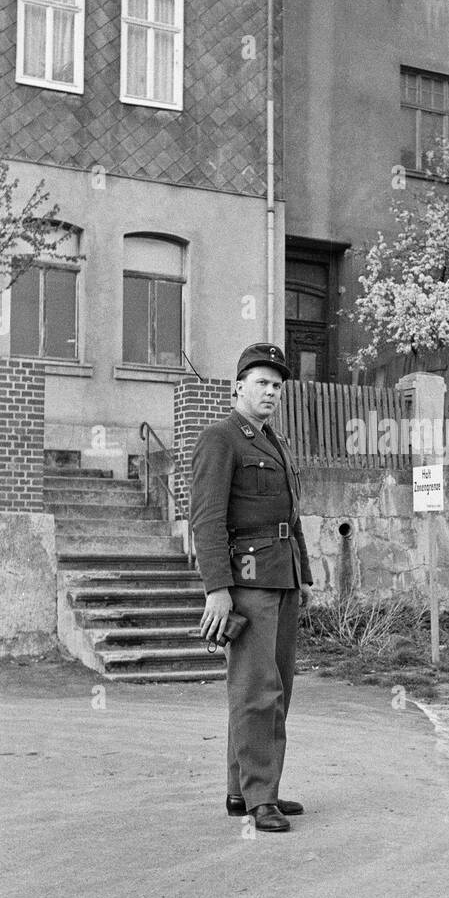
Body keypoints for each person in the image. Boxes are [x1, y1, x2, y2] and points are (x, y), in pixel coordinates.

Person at [190, 344, 313, 832]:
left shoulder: (273, 442)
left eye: (277, 385)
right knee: (257, 691)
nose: (271, 392)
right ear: (238, 385)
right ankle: (263, 798)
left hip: (281, 579)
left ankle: (244, 791)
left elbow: (291, 514)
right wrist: (216, 588)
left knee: (274, 688)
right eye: (261, 382)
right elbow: (207, 519)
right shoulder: (222, 439)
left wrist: (302, 576)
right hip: (247, 582)